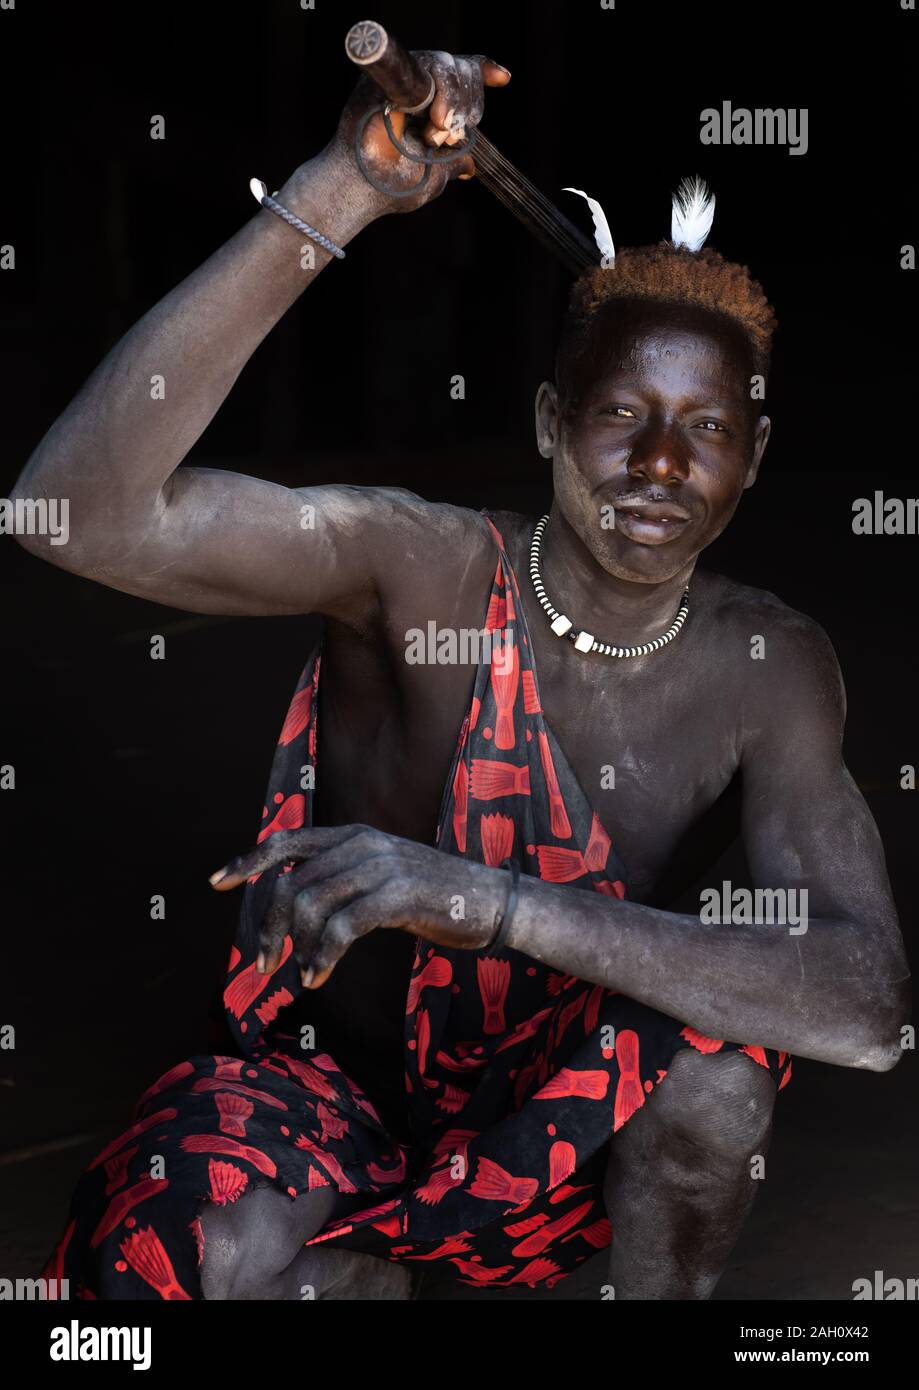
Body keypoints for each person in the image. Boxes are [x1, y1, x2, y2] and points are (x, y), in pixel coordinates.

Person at [16, 49, 908, 1301]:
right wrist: (341, 192)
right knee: (191, 1245)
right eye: (618, 417)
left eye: (704, 428)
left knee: (717, 1070)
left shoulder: (767, 663)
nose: (658, 462)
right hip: (327, 1100)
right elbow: (70, 514)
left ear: (752, 457)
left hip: (544, 1132)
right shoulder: (417, 565)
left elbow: (867, 1003)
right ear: (550, 422)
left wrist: (487, 903)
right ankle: (366, 1265)